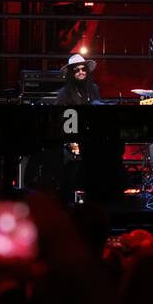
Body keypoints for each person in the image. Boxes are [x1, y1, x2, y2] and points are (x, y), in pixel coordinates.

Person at [54, 53, 102, 202]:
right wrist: (71, 141)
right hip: (70, 143)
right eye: (77, 70)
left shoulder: (93, 89)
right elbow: (59, 119)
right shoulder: (64, 93)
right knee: (71, 173)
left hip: (91, 141)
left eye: (83, 69)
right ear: (71, 73)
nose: (81, 72)